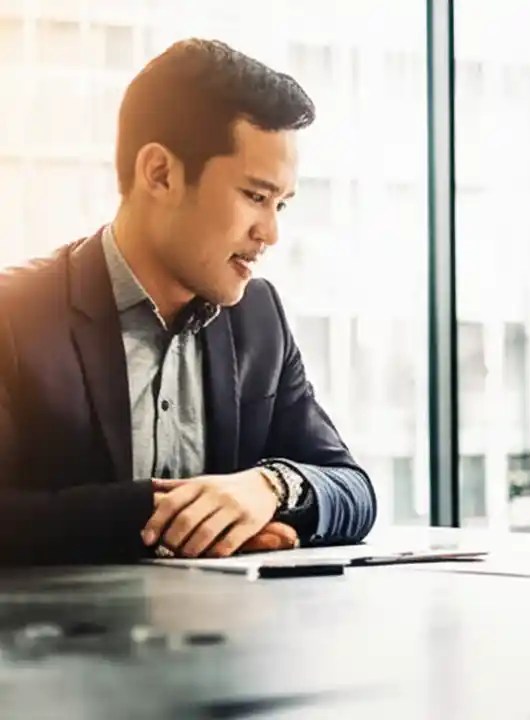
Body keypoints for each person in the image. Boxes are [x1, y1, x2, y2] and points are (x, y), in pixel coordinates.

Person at [0, 39, 376, 564]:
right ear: (160, 173)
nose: (270, 232)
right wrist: (187, 520)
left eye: (281, 205)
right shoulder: (14, 315)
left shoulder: (258, 316)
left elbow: (352, 490)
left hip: (223, 640)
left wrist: (269, 489)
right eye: (255, 196)